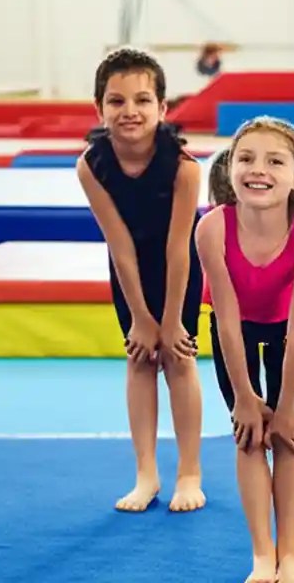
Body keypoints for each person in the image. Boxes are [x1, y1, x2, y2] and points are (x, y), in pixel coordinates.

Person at [195, 116, 294, 583]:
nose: (258, 170)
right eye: (246, 159)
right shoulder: (212, 229)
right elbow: (227, 321)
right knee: (249, 435)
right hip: (233, 333)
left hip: (285, 337)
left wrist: (284, 409)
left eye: (274, 161)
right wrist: (243, 397)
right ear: (230, 167)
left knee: (288, 437)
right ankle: (262, 555)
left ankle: (290, 557)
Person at [75, 46, 207, 514]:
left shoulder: (184, 167)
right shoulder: (91, 165)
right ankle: (146, 472)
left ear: (162, 108)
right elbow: (119, 245)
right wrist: (140, 317)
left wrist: (170, 320)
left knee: (178, 358)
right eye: (116, 101)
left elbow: (178, 247)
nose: (129, 111)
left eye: (142, 100)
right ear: (99, 108)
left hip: (179, 269)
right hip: (127, 269)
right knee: (138, 360)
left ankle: (189, 471)